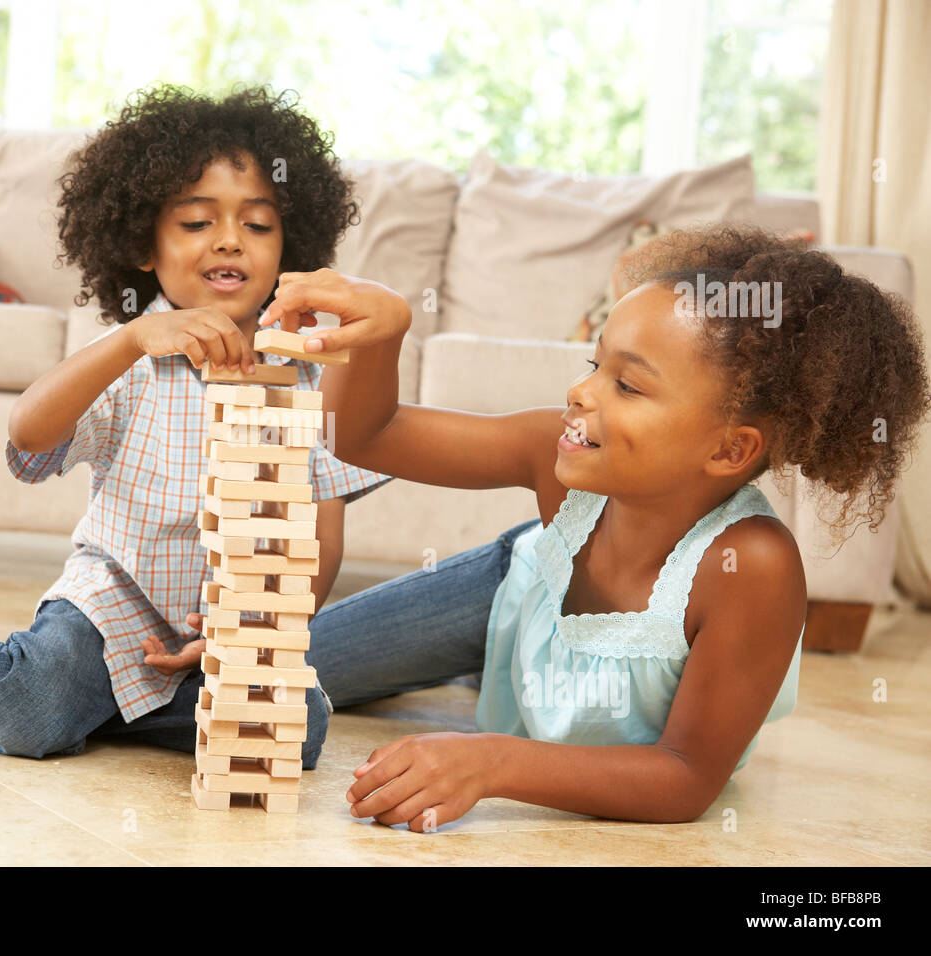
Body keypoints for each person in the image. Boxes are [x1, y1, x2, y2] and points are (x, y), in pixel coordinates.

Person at [0, 86, 389, 769]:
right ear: (142, 246)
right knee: (27, 708)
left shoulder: (309, 377)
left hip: (224, 630)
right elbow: (29, 434)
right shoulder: (133, 359)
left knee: (297, 730)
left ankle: (99, 706)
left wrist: (261, 627)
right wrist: (129, 340)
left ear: (289, 245)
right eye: (197, 222)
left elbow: (320, 538)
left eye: (257, 225)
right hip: (110, 610)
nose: (229, 238)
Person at [259, 224, 930, 829]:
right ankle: (486, 663)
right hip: (507, 595)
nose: (581, 392)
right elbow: (366, 437)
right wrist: (383, 332)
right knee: (269, 675)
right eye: (594, 365)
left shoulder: (751, 566)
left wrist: (491, 762)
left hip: (573, 660)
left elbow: (685, 778)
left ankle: (486, 676)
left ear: (730, 449)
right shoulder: (557, 459)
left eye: (627, 386)